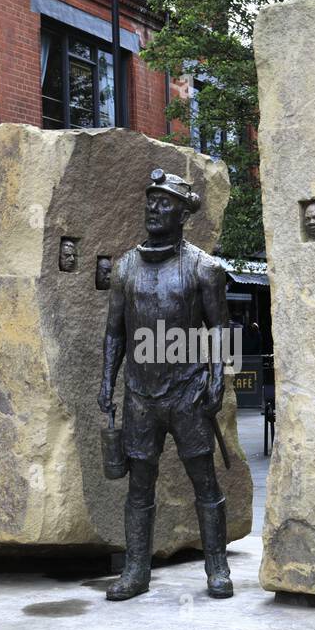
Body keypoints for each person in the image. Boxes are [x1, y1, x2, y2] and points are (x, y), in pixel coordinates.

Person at [98, 169, 232, 601]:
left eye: (164, 203)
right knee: (139, 484)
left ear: (182, 213)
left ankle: (217, 567)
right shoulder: (125, 268)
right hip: (140, 395)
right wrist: (107, 380)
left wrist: (216, 383)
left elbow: (220, 331)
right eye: (150, 201)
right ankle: (136, 570)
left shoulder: (203, 268)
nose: (153, 209)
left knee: (204, 480)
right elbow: (115, 332)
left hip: (188, 392)